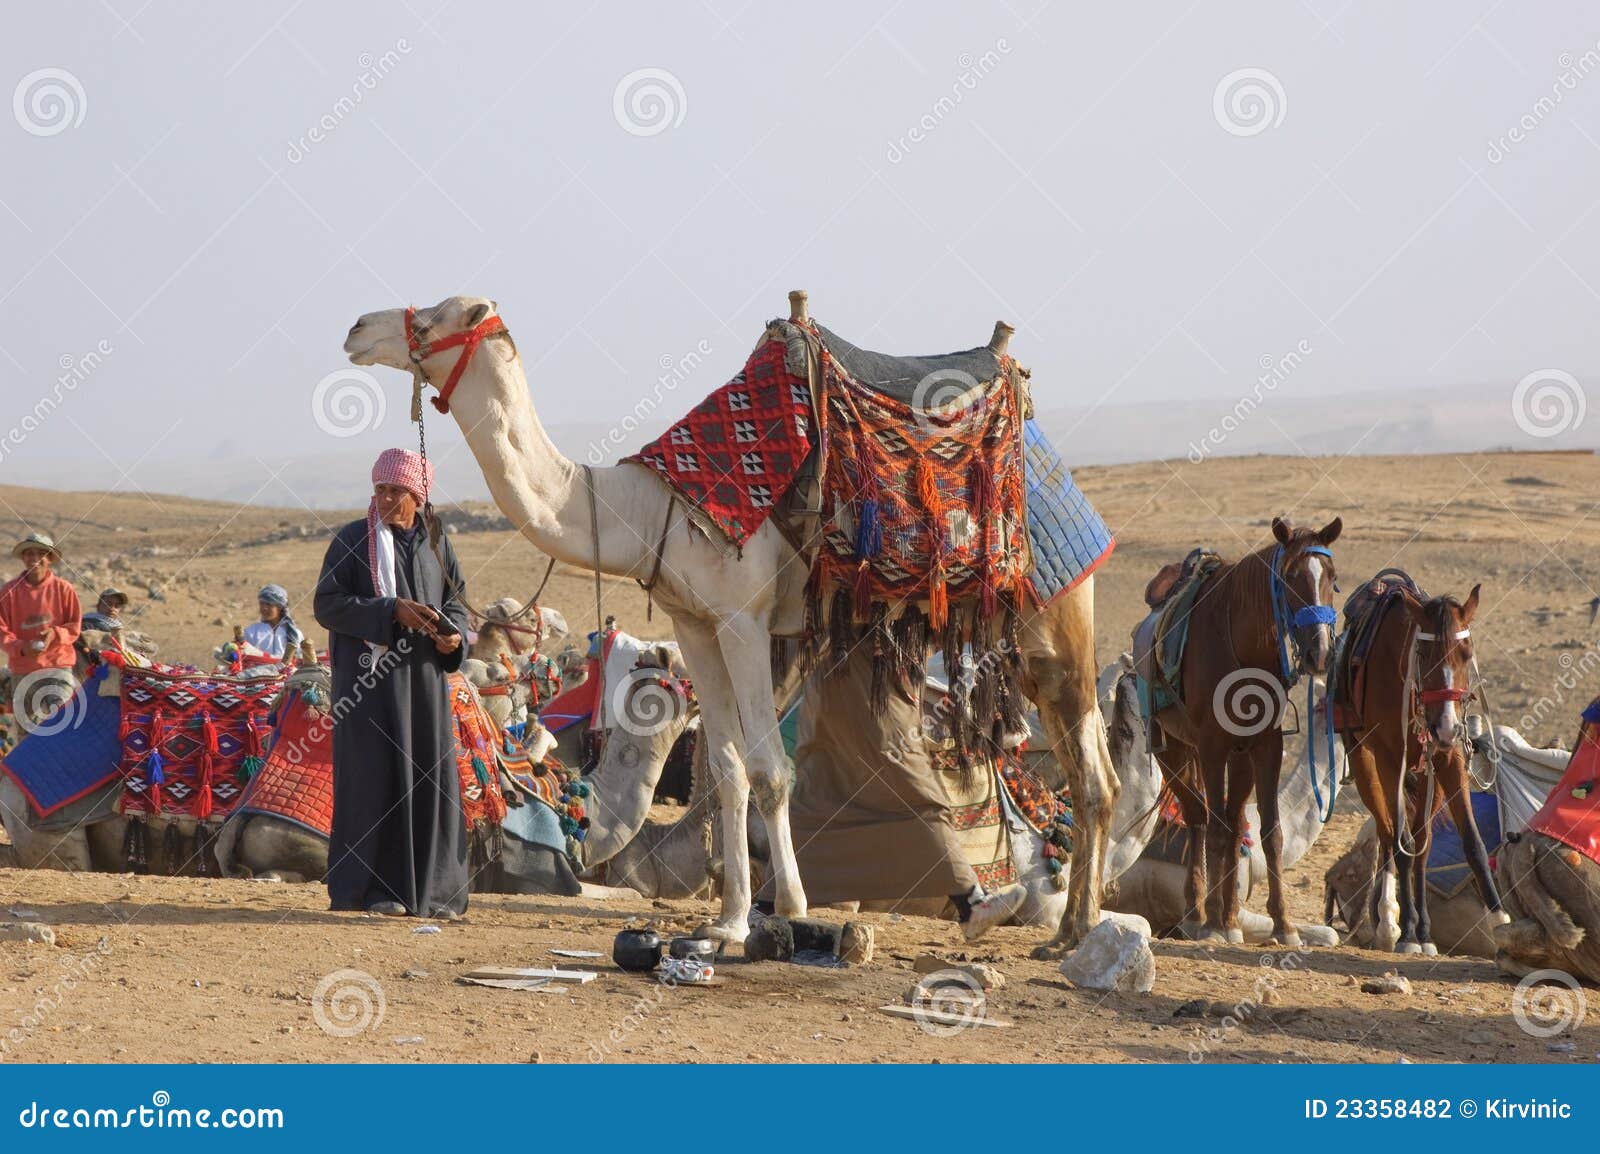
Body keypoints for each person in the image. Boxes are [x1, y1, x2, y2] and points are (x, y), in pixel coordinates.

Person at [314, 448, 471, 919]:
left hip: (423, 687)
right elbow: (327, 603)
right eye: (379, 489)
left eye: (395, 490)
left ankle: (436, 892)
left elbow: (458, 602)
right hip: (369, 691)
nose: (384, 498)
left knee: (430, 779)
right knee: (374, 781)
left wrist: (454, 638)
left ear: (418, 496)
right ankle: (372, 891)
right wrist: (389, 611)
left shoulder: (437, 542)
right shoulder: (351, 540)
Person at [0, 533, 81, 678]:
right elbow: (1, 631)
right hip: (22, 668)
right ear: (23, 558)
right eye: (30, 553)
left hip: (58, 665)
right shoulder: (9, 591)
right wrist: (22, 648)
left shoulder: (64, 588)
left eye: (41, 553)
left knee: (61, 702)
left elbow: (74, 627)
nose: (35, 558)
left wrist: (55, 634)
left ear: (49, 559)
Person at [242, 584, 303, 658]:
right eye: (261, 603)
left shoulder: (294, 634)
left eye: (269, 604)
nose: (264, 608)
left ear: (280, 607)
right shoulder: (251, 632)